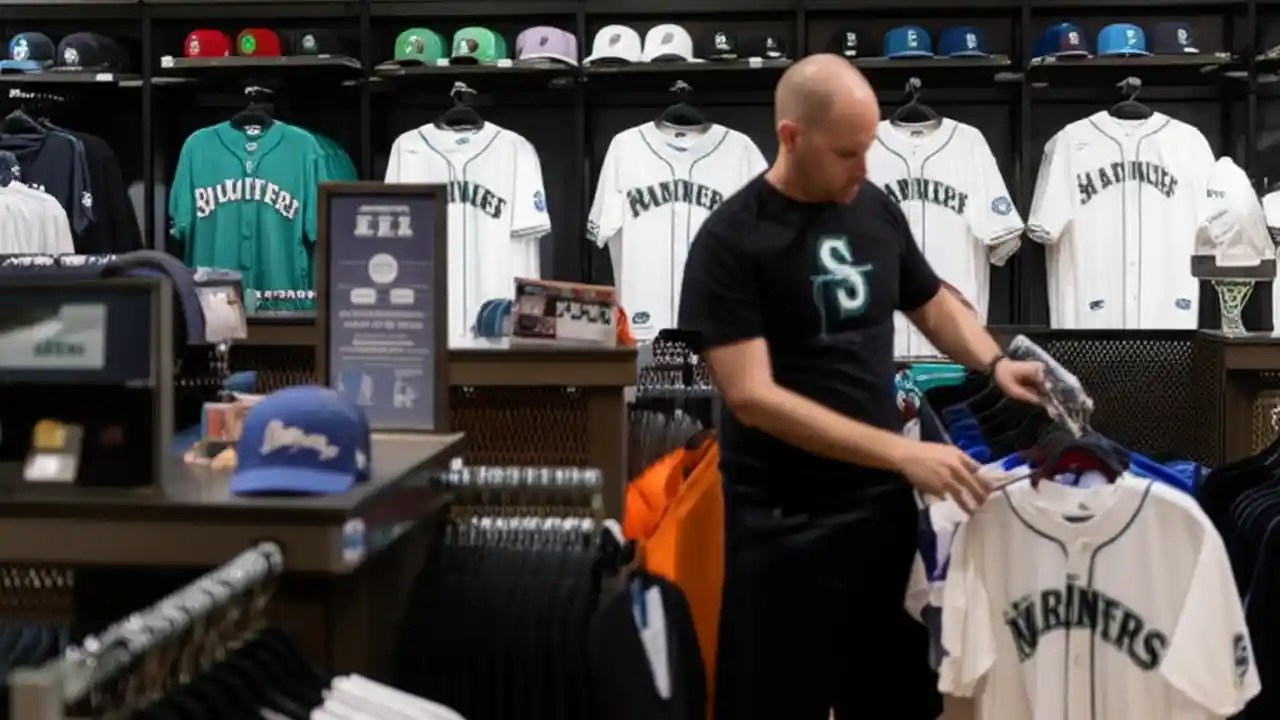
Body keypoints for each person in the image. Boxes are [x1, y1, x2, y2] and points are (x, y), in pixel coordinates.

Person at [677, 54, 1046, 719]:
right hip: (780, 525)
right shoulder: (730, 241)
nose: (865, 167)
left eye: (869, 147)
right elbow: (752, 396)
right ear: (791, 137)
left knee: (891, 698)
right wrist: (901, 452)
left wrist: (994, 364)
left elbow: (931, 302)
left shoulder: (873, 207)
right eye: (848, 152)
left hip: (878, 518)